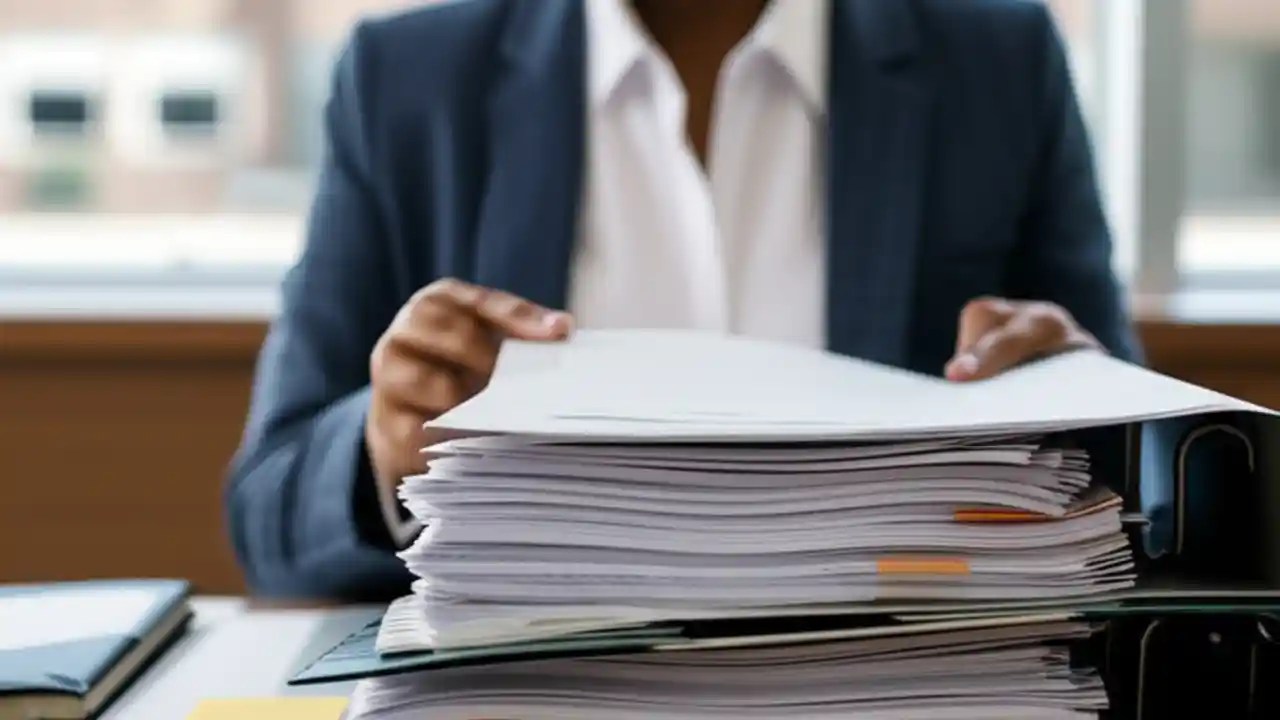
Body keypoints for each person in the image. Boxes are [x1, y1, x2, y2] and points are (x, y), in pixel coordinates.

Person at [227, 0, 1140, 600]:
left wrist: (1072, 401)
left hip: (901, 683)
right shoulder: (409, 78)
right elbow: (267, 509)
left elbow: (1143, 487)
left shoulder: (997, 59)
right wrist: (384, 450)